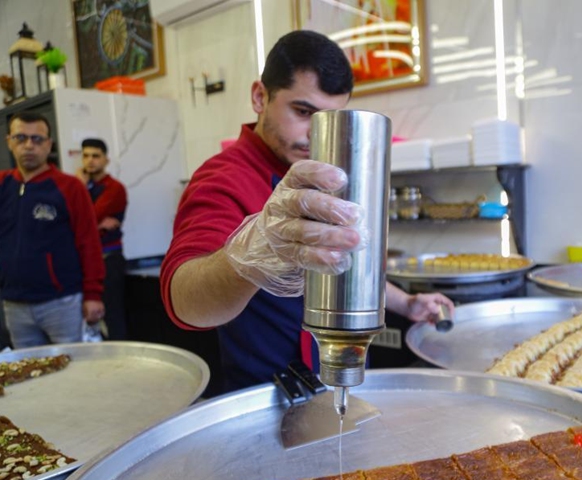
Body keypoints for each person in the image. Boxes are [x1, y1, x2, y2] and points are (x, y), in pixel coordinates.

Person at [160, 30, 454, 393]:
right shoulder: (222, 178)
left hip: (336, 380)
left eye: (329, 119)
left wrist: (406, 302)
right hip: (268, 394)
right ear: (259, 96)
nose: (315, 134)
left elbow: (342, 262)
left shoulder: (325, 171)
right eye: (303, 112)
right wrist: (248, 257)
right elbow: (183, 299)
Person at [0, 112, 105, 348]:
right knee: (30, 376)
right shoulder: (2, 184)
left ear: (48, 144)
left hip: (62, 303)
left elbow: (89, 242)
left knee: (74, 372)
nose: (29, 145)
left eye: (37, 139)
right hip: (14, 304)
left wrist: (93, 294)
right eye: (20, 138)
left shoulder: (70, 187)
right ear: (9, 142)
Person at [76, 138, 128, 340]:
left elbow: (87, 217)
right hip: (84, 262)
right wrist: (96, 226)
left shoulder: (114, 188)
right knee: (87, 319)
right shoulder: (80, 187)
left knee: (112, 316)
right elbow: (76, 223)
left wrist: (88, 225)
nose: (90, 161)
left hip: (109, 260)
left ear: (106, 159)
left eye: (96, 156)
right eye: (86, 155)